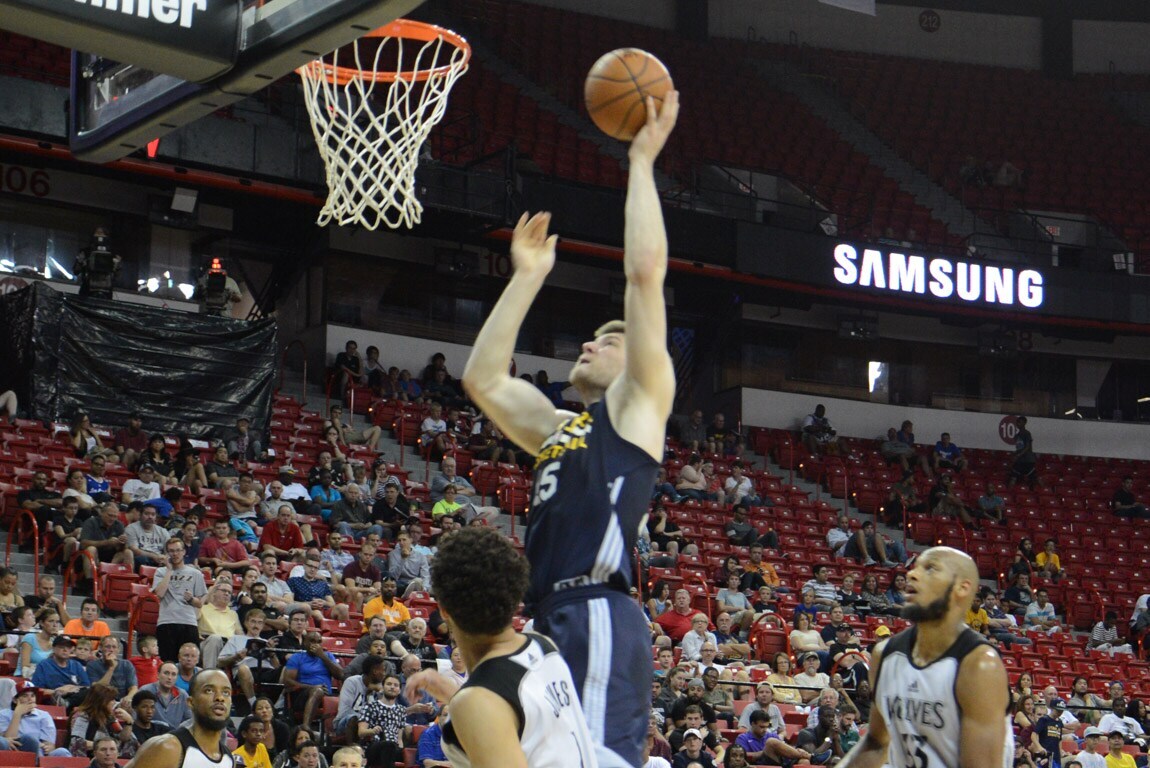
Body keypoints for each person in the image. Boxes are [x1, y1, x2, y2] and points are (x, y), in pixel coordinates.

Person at [459, 89, 679, 767]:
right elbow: (483, 380)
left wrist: (640, 162)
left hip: (597, 610)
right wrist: (527, 277)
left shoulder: (638, 406)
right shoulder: (560, 427)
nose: (588, 345)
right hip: (551, 618)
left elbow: (644, 275)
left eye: (606, 342)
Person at [403, 526, 599, 768]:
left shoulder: (479, 702)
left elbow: (494, 707)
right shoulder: (542, 646)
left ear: (443, 610)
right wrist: (456, 695)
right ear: (516, 597)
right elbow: (519, 722)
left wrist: (464, 700)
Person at [835, 546, 1011, 768]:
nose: (912, 574)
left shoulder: (978, 665)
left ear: (962, 588)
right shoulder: (884, 655)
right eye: (915, 567)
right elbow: (876, 743)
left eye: (930, 568)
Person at [123, 669, 235, 768]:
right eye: (209, 690)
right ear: (191, 702)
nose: (220, 698)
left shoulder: (229, 759)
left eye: (226, 692)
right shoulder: (167, 747)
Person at [152, 538, 207, 663]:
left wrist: (191, 599)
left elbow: (200, 603)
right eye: (171, 551)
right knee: (167, 663)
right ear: (167, 553)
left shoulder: (195, 573)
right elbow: (159, 593)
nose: (175, 554)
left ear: (183, 552)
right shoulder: (160, 572)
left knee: (189, 663)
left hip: (188, 622)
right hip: (166, 622)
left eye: (178, 550)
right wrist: (169, 570)